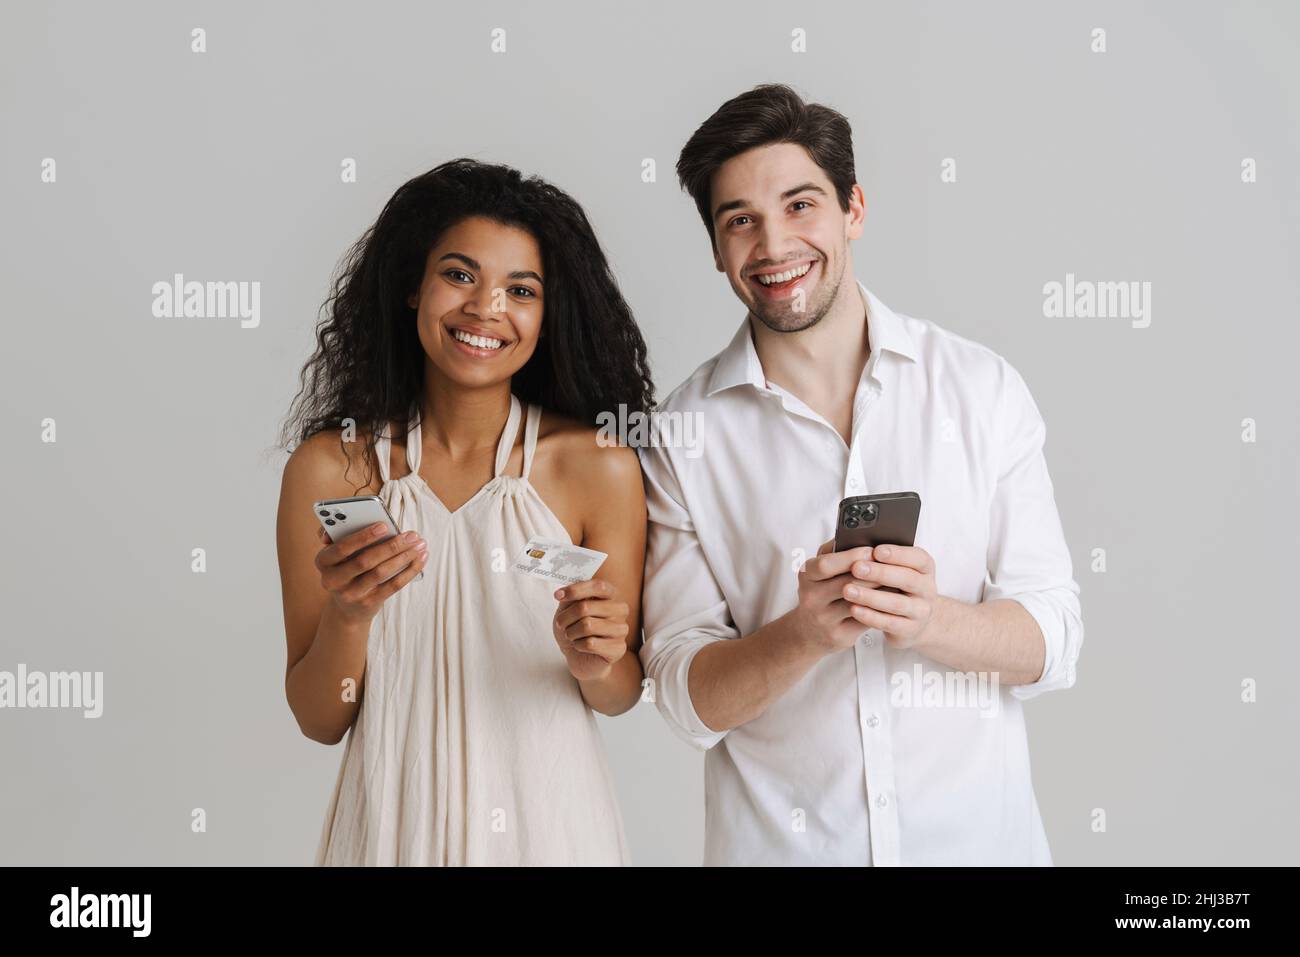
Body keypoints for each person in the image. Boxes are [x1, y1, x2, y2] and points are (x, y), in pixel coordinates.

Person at [638, 84, 1085, 865]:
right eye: (739, 219)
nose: (773, 246)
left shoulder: (980, 389)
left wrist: (933, 620)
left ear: (854, 209)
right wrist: (802, 634)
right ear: (716, 249)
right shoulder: (681, 438)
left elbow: (1056, 638)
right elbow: (685, 698)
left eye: (800, 205)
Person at [275, 158, 653, 865]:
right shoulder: (331, 470)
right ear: (413, 286)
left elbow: (619, 692)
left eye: (521, 289)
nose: (486, 308)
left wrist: (596, 658)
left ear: (548, 314)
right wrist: (350, 615)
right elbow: (320, 716)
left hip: (550, 831)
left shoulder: (596, 466)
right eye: (459, 274)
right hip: (390, 829)